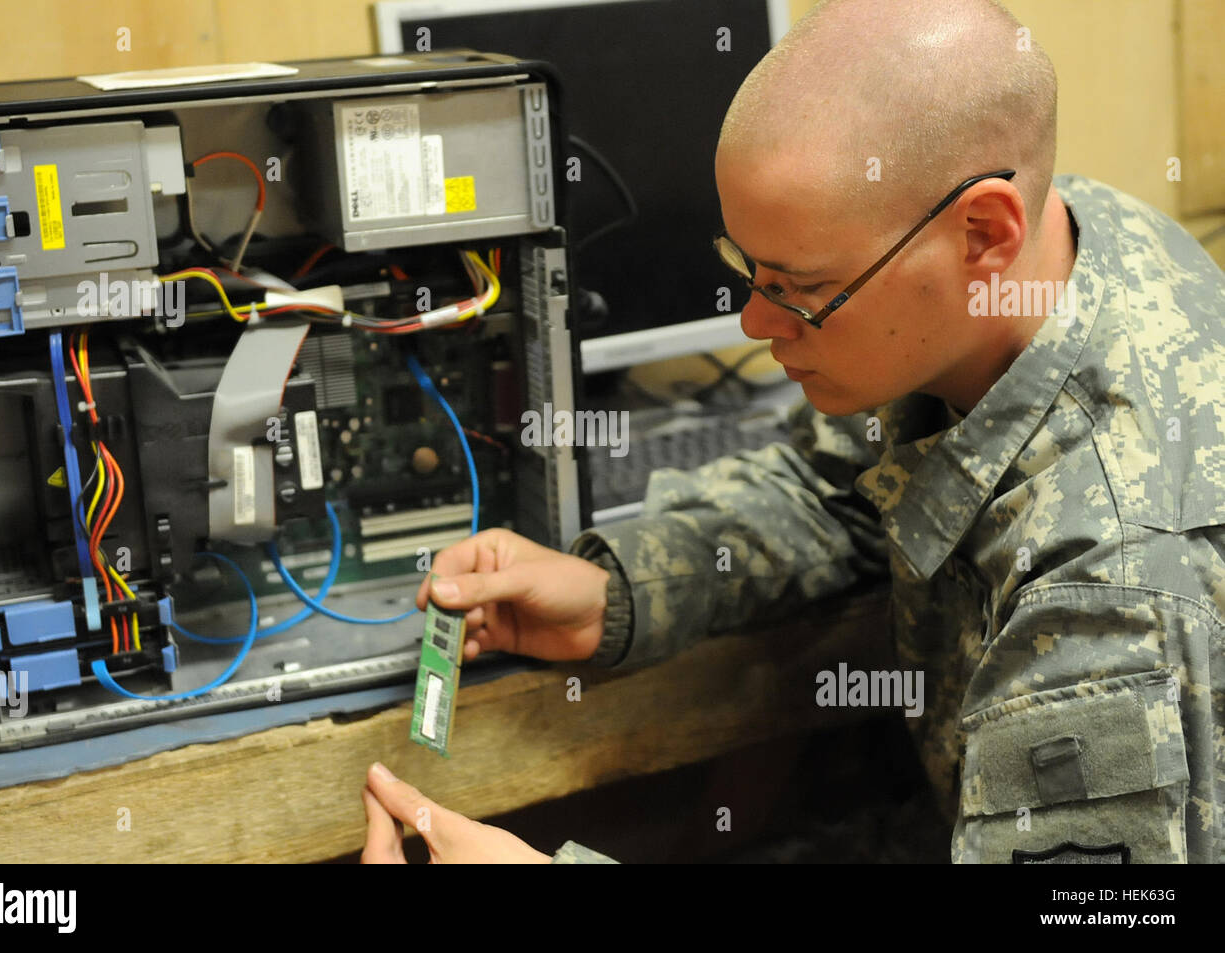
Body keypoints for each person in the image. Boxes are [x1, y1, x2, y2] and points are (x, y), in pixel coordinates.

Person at [361, 0, 1225, 864]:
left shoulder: (1111, 596)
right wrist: (623, 590)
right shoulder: (1049, 254)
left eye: (800, 288)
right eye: (747, 269)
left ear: (984, 232)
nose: (754, 322)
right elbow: (850, 482)